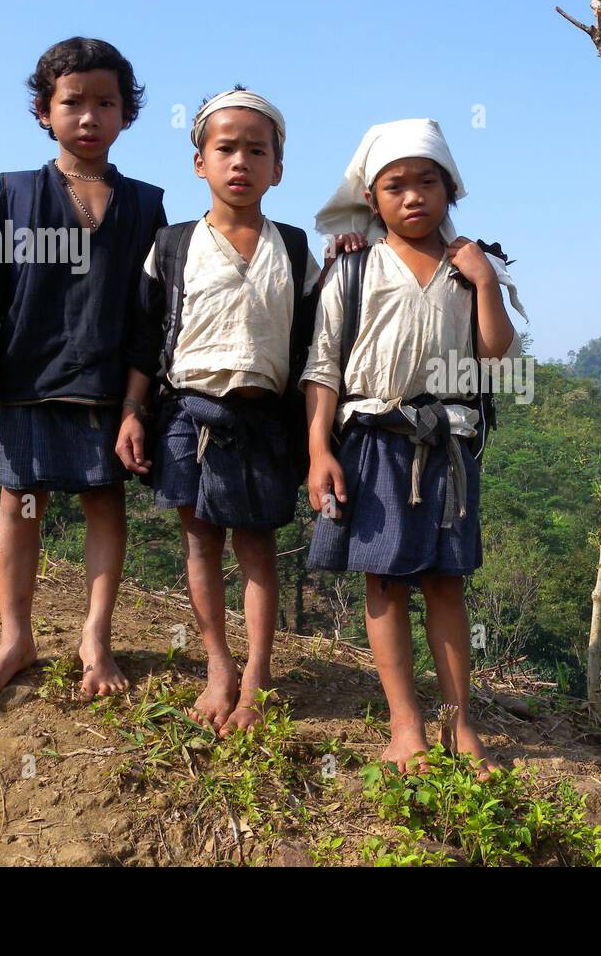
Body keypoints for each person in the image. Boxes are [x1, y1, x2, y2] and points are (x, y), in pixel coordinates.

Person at [117, 88, 364, 734]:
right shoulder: (172, 247)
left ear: (278, 169)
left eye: (258, 151)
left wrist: (320, 439)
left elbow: (316, 347)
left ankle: (257, 672)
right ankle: (218, 663)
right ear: (199, 161)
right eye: (225, 148)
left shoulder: (293, 247)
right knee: (199, 545)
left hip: (264, 422)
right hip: (187, 419)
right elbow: (146, 340)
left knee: (256, 549)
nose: (241, 162)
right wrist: (132, 412)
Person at [302, 118, 528, 776]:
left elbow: (495, 355)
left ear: (450, 187)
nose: (412, 197)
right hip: (375, 439)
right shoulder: (353, 270)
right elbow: (322, 369)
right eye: (394, 186)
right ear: (372, 200)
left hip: (450, 441)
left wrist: (486, 282)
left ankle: (461, 725)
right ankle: (406, 724)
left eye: (426, 182)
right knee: (386, 581)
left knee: (447, 584)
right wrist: (319, 449)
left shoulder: (471, 266)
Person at [0, 37, 166, 711]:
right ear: (45, 111)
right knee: (22, 506)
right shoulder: (17, 195)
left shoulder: (144, 205)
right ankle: (15, 638)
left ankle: (94, 637)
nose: (88, 116)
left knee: (105, 506)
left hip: (105, 389)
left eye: (105, 103)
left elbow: (149, 315)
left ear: (125, 115)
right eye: (72, 102)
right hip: (29, 381)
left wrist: (137, 404)